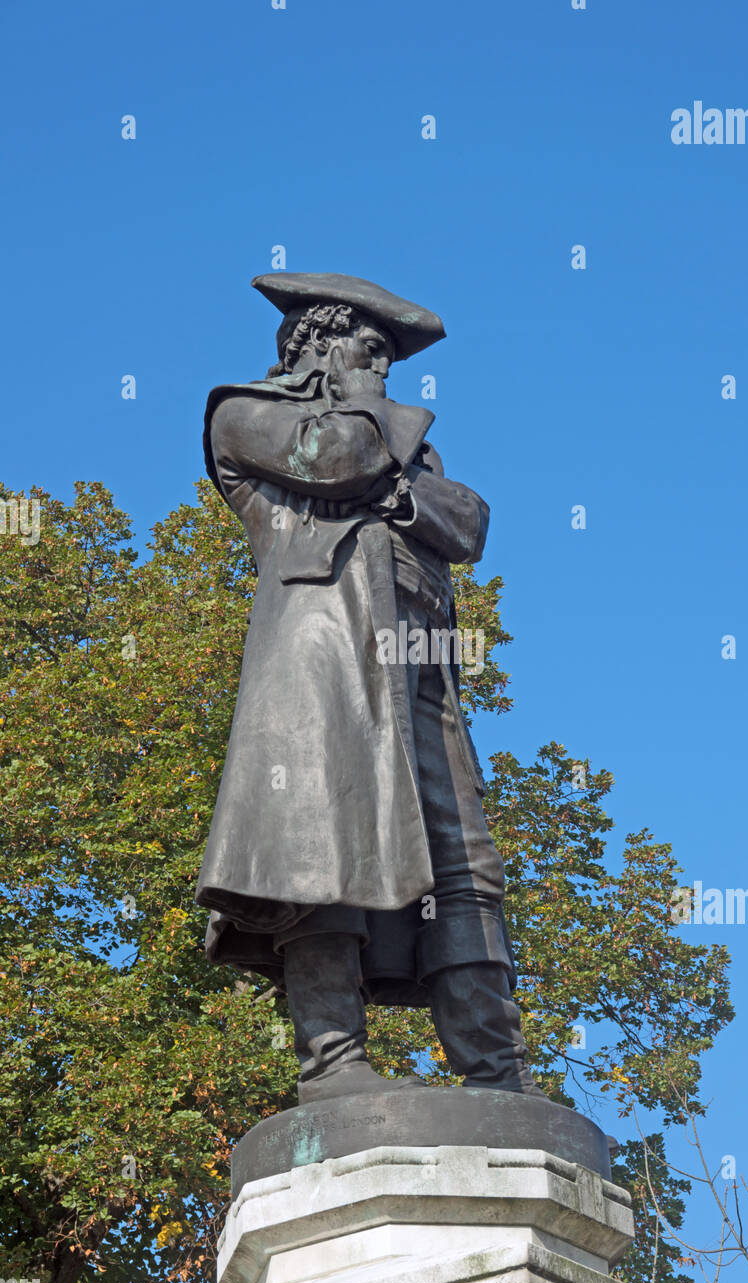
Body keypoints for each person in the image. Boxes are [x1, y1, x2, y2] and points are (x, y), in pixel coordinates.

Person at [197, 272, 546, 1104]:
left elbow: (467, 523)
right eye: (372, 348)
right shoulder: (243, 414)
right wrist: (385, 465)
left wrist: (389, 483)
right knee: (320, 849)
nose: (383, 367)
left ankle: (494, 1072)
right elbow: (337, 457)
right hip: (323, 667)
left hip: (422, 667)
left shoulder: (395, 441)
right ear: (319, 339)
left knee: (466, 865)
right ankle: (334, 1063)